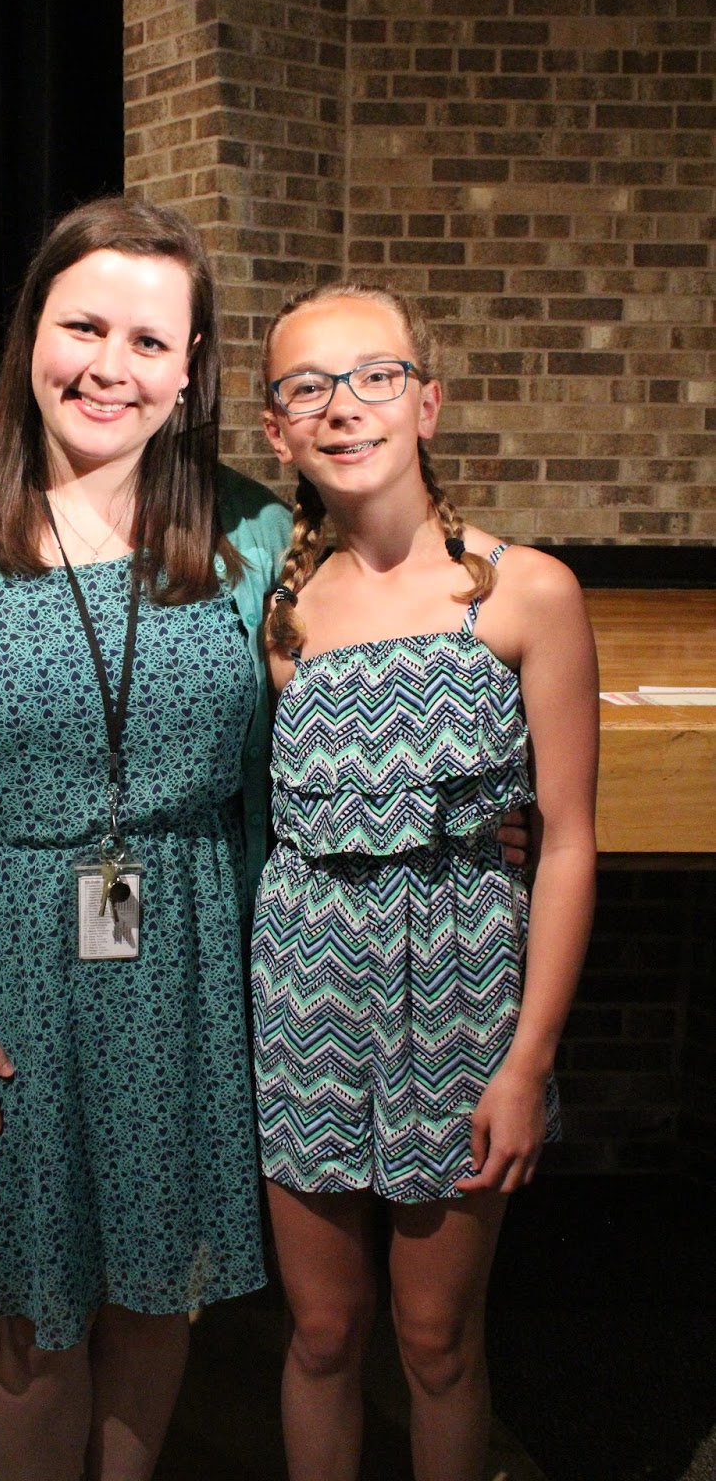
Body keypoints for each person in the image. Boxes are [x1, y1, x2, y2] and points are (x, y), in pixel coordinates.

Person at [0, 197, 293, 1481]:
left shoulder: (253, 535)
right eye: (83, 326)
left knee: (156, 1286)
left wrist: (489, 809)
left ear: (190, 369)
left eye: (149, 340)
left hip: (191, 962)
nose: (109, 365)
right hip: (6, 968)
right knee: (32, 1310)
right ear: (31, 330)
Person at [251, 281, 598, 1481]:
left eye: (375, 376)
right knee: (322, 1329)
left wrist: (527, 1061)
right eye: (309, 387)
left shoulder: (523, 590)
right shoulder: (279, 608)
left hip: (458, 991)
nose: (344, 406)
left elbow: (566, 841)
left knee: (436, 1336)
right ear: (277, 430)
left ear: (427, 402)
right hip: (305, 985)